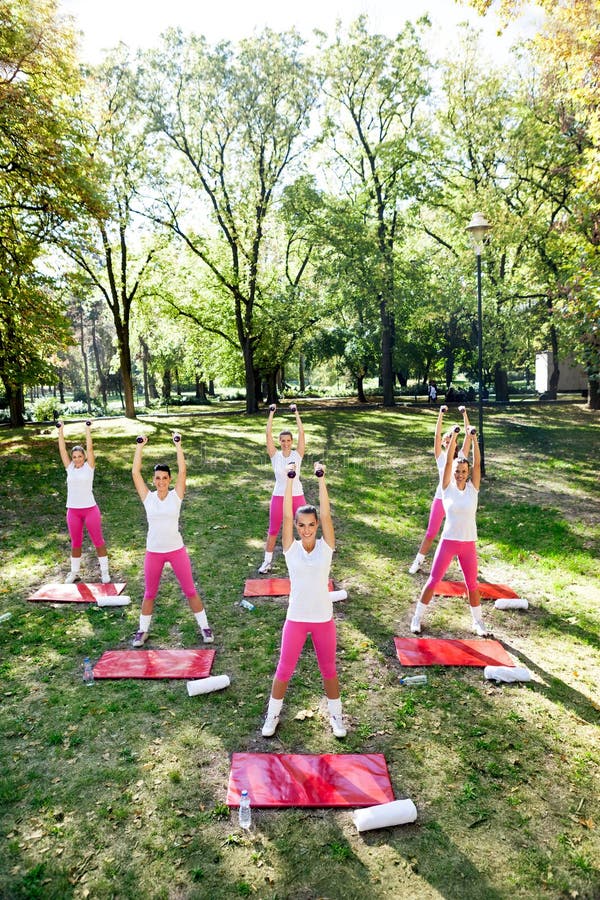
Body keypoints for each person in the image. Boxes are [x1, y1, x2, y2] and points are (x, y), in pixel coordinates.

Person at [261, 461, 346, 739]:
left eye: (311, 525)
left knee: (329, 669)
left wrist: (321, 479)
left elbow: (328, 514)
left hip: (323, 618)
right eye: (302, 525)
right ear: (296, 527)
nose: (307, 529)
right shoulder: (290, 549)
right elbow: (285, 516)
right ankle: (272, 716)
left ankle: (337, 717)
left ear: (317, 525)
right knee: (284, 668)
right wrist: (289, 479)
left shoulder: (326, 547)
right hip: (296, 618)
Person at [131, 434, 213, 647]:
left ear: (169, 480)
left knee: (190, 590)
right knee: (149, 593)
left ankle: (205, 627)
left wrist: (178, 446)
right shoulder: (147, 498)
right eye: (157, 478)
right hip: (154, 552)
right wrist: (139, 447)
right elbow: (134, 472)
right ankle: (142, 630)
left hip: (176, 550)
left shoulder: (176, 496)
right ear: (154, 480)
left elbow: (183, 471)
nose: (160, 482)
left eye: (164, 478)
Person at [409, 426, 489, 636]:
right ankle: (417, 617)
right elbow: (446, 466)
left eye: (463, 472)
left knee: (472, 584)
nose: (460, 475)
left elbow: (478, 463)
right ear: (452, 473)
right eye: (457, 472)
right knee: (433, 580)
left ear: (468, 473)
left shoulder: (473, 488)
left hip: (468, 544)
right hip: (448, 542)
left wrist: (474, 440)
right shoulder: (446, 489)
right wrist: (453, 437)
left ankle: (478, 622)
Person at [409, 405, 472, 574]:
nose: (449, 440)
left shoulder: (461, 458)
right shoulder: (441, 457)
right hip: (441, 498)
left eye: (452, 438)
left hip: (458, 499)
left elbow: (469, 435)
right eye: (447, 438)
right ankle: (418, 561)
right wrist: (440, 414)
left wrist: (465, 414)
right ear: (444, 442)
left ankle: (462, 562)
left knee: (460, 532)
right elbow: (436, 435)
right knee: (431, 533)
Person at [57, 420, 111, 584]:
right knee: (76, 542)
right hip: (73, 511)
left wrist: (87, 429)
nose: (77, 459)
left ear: (85, 457)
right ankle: (74, 573)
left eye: (80, 456)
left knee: (98, 540)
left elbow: (90, 447)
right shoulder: (69, 468)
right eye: (74, 457)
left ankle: (105, 572)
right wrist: (60, 430)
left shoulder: (90, 467)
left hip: (90, 510)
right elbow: (61, 449)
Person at [257, 403, 306, 574]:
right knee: (273, 529)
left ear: (291, 442)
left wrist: (296, 413)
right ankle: (267, 562)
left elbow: (301, 432)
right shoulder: (275, 456)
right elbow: (267, 433)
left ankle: (306, 560)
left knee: (304, 528)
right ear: (279, 442)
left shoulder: (297, 455)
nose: (285, 443)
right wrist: (272, 413)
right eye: (283, 441)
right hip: (279, 496)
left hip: (297, 495)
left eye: (288, 440)